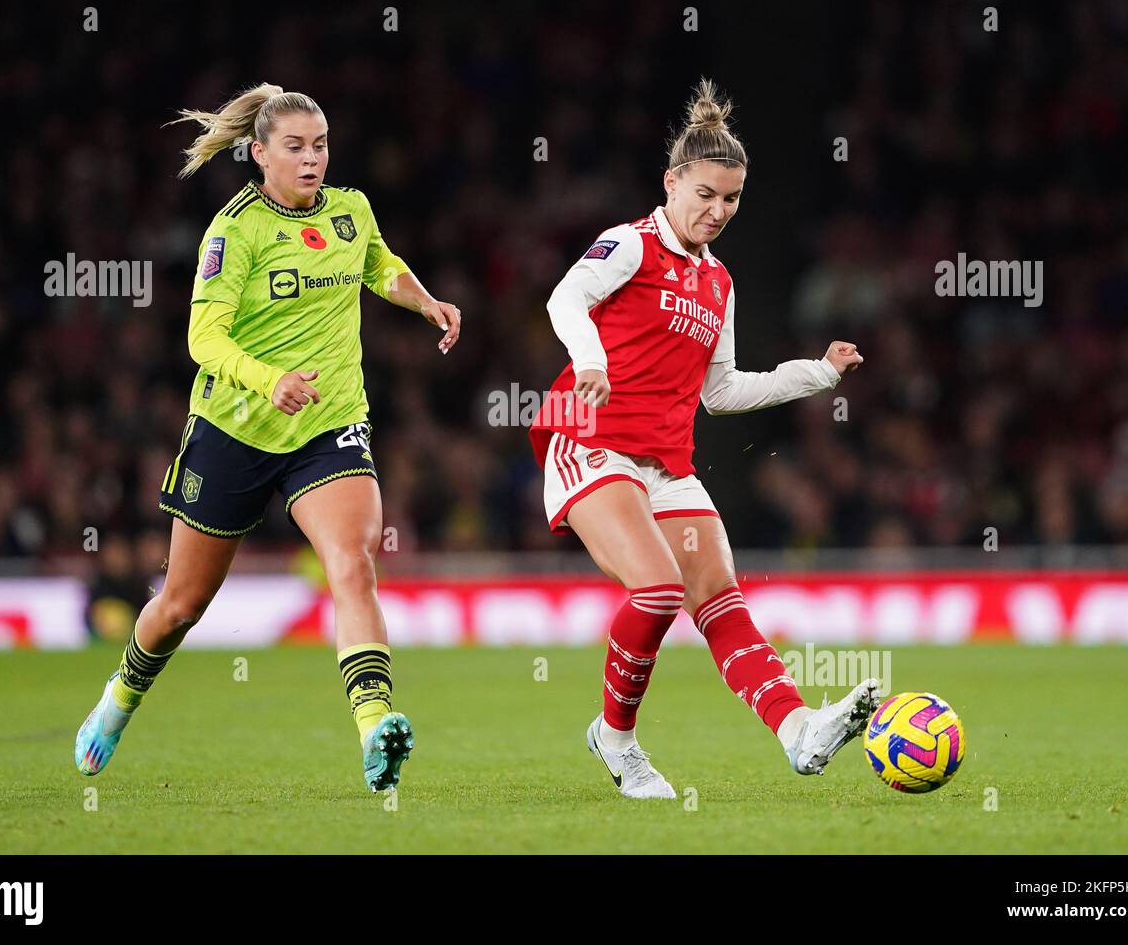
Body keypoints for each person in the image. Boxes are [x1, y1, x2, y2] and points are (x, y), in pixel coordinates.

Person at [74, 84, 461, 792]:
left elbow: (378, 264)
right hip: (235, 429)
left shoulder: (351, 210)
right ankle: (119, 697)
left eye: (320, 146)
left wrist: (424, 300)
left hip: (328, 421)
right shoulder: (234, 231)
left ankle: (375, 725)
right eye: (296, 147)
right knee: (182, 605)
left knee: (353, 559)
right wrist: (268, 378)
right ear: (259, 154)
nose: (312, 159)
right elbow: (203, 338)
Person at [528, 79, 877, 798]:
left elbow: (719, 392)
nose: (717, 211)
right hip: (590, 439)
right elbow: (567, 296)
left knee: (719, 598)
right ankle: (617, 741)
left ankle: (798, 728)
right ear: (672, 183)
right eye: (706, 194)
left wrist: (817, 373)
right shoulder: (631, 243)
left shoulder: (717, 281)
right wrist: (590, 361)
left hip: (664, 461)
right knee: (657, 590)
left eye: (733, 199)